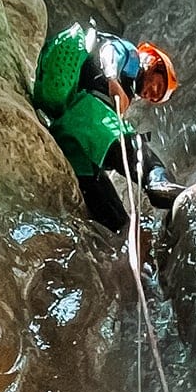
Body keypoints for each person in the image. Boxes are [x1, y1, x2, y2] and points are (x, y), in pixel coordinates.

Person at [29, 22, 181, 238]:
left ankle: (122, 234)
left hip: (70, 128)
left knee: (98, 191)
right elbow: (109, 52)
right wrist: (112, 79)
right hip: (88, 113)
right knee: (132, 146)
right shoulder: (131, 56)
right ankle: (158, 181)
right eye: (156, 85)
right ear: (151, 62)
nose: (150, 93)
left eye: (155, 97)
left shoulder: (120, 91)